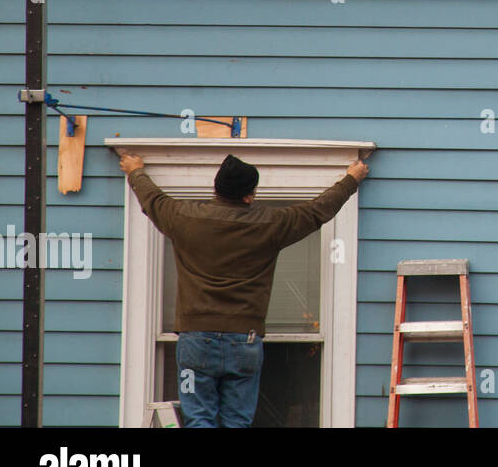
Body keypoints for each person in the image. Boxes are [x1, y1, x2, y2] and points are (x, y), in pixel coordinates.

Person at [117, 150, 369, 427]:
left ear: (216, 189)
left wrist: (135, 170)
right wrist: (351, 179)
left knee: (199, 419)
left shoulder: (185, 218)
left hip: (196, 341)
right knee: (237, 422)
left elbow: (153, 200)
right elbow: (316, 211)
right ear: (248, 196)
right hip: (244, 341)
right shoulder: (269, 224)